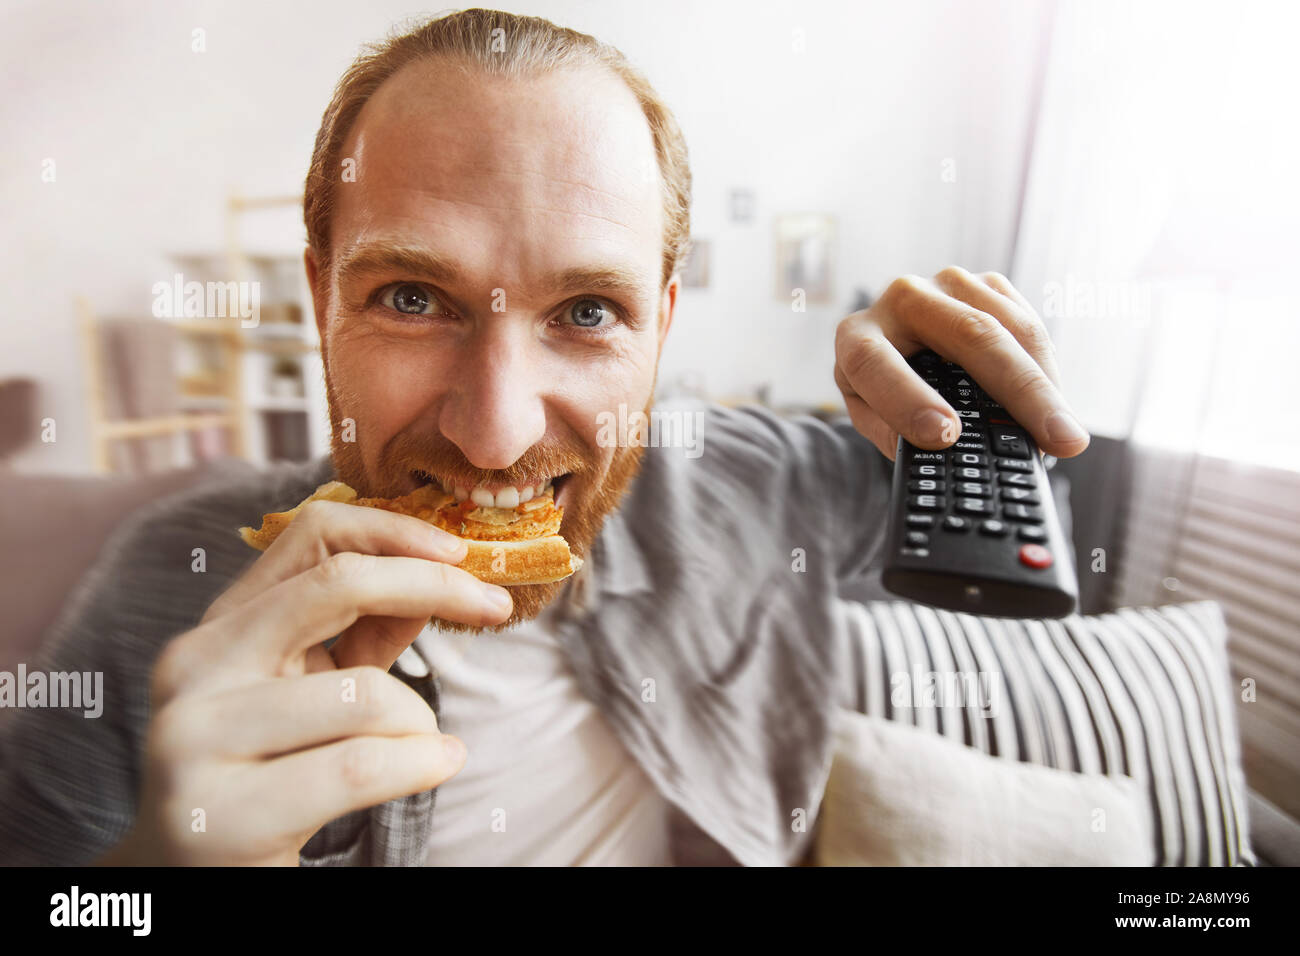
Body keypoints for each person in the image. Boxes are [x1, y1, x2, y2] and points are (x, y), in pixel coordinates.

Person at [0, 8, 1088, 867]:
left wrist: (963, 396)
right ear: (320, 296)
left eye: (587, 312)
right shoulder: (163, 585)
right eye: (415, 298)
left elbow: (1026, 533)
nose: (492, 431)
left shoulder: (748, 484)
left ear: (661, 325)